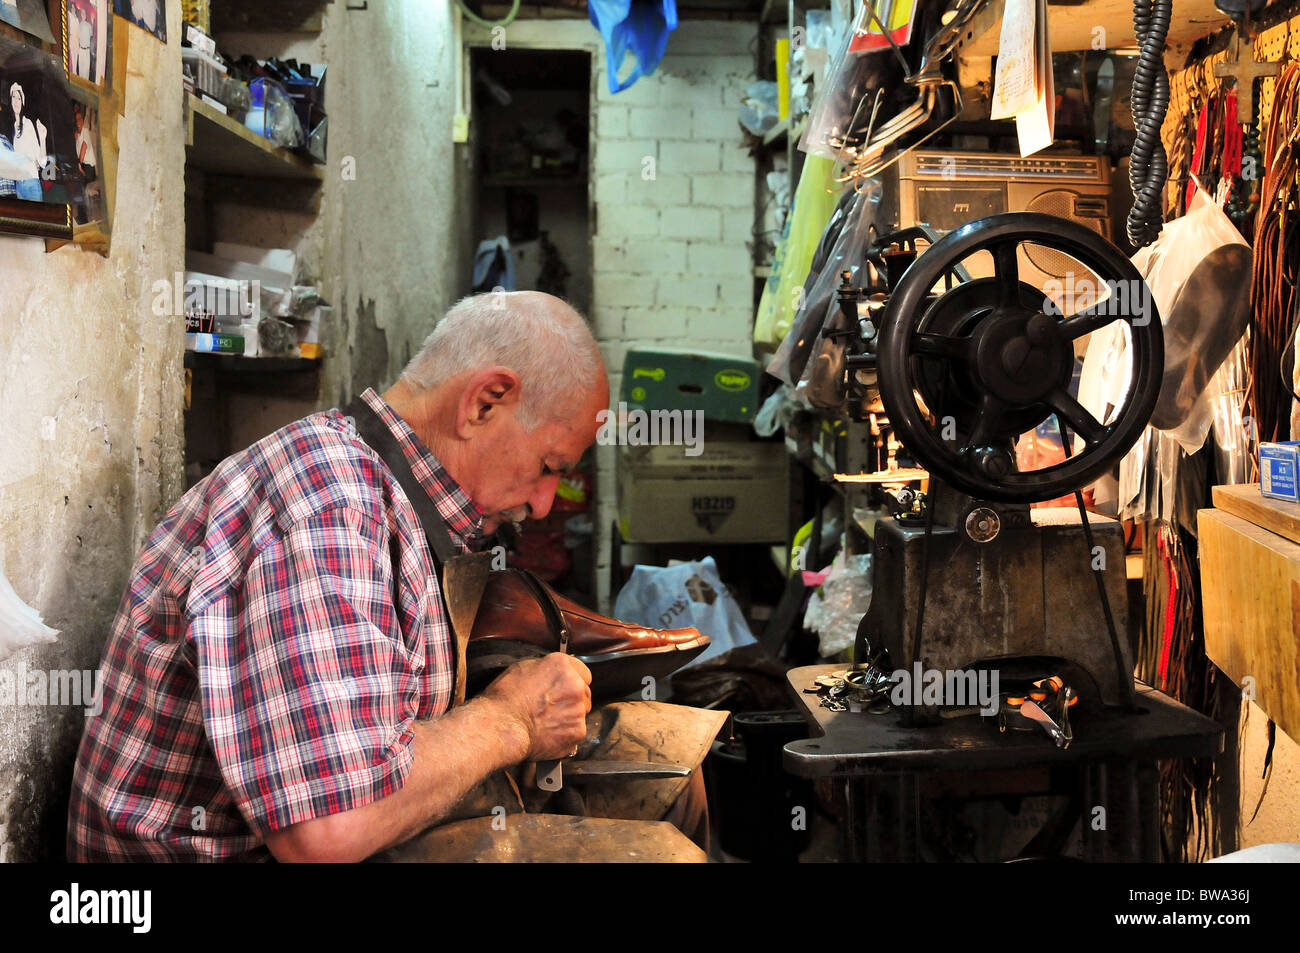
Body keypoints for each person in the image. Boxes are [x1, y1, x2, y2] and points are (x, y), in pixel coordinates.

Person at [68, 291, 608, 862]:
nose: (546, 504)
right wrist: (511, 719)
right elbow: (329, 830)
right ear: (485, 402)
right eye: (550, 467)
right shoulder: (330, 505)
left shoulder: (388, 495)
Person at [6, 81, 47, 202]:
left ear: (22, 102)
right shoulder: (11, 128)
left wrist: (43, 138)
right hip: (19, 186)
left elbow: (43, 162)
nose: (16, 101)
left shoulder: (28, 124)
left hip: (31, 184)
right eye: (13, 97)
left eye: (19, 98)